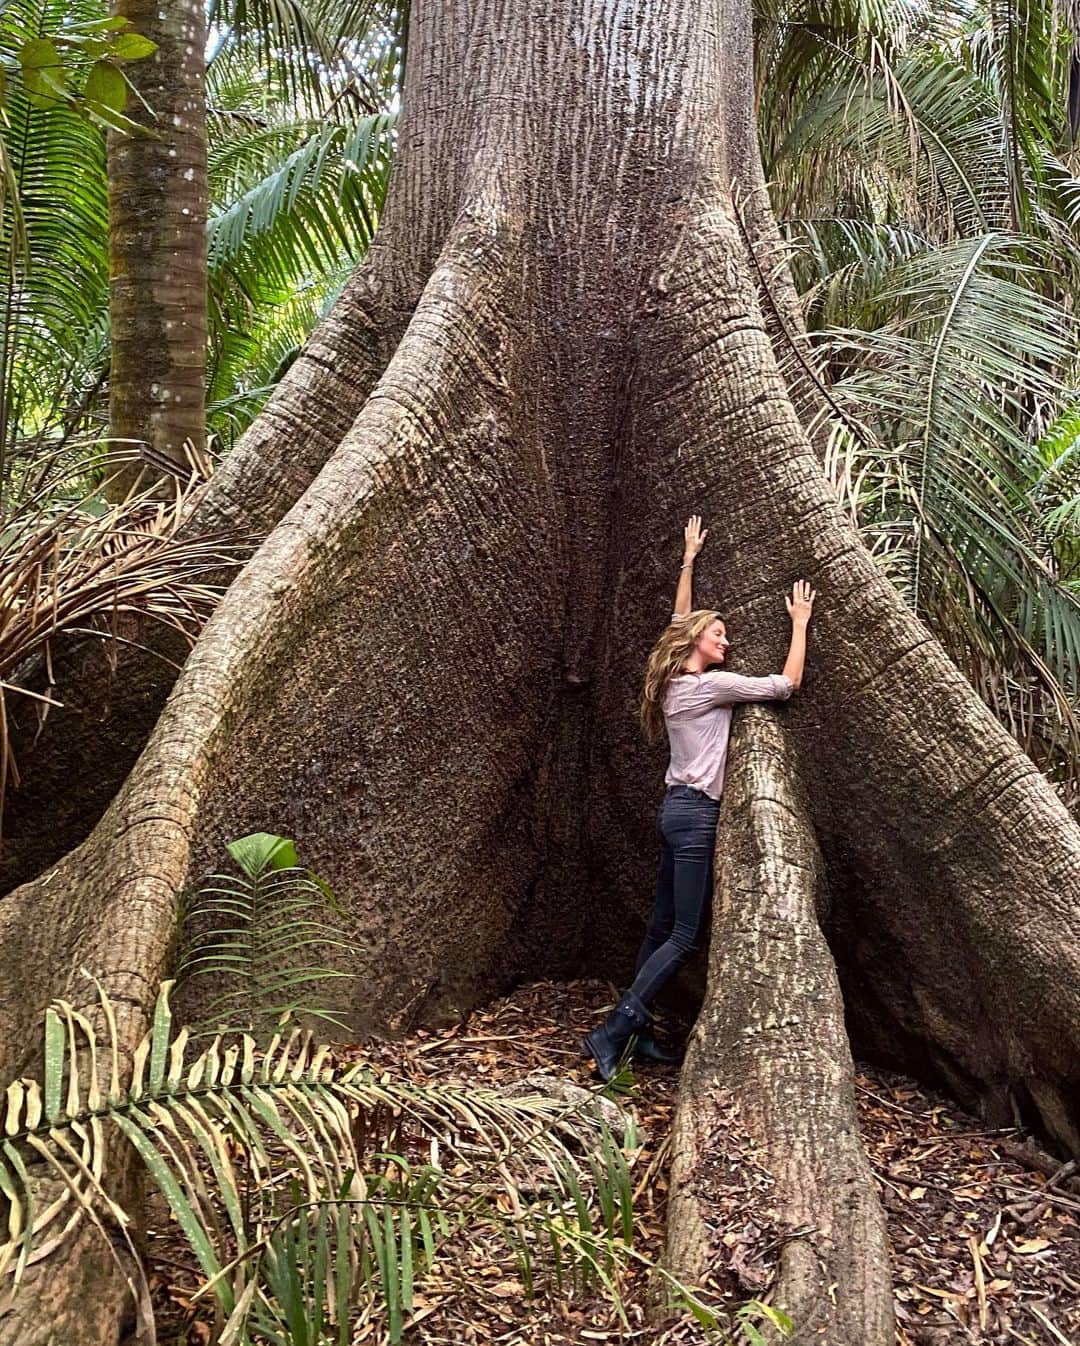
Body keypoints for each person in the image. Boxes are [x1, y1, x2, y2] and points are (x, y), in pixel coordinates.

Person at [583, 516, 816, 1080]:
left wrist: (688, 561)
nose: (727, 641)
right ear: (698, 646)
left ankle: (636, 1033)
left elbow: (678, 621)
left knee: (661, 928)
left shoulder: (671, 684)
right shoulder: (712, 687)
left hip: (674, 813)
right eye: (720, 636)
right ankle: (614, 1029)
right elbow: (786, 687)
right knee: (685, 934)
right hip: (695, 819)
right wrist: (800, 623)